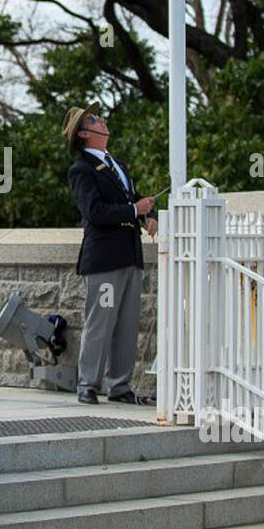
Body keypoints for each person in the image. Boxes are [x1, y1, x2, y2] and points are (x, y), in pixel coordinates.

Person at [63, 102, 158, 405]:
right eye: (93, 119)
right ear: (83, 134)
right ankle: (87, 383)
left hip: (129, 253)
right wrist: (133, 209)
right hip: (104, 258)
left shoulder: (117, 165)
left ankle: (119, 385)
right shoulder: (82, 169)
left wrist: (147, 214)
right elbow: (94, 211)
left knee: (127, 324)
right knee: (100, 322)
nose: (101, 121)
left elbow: (133, 198)